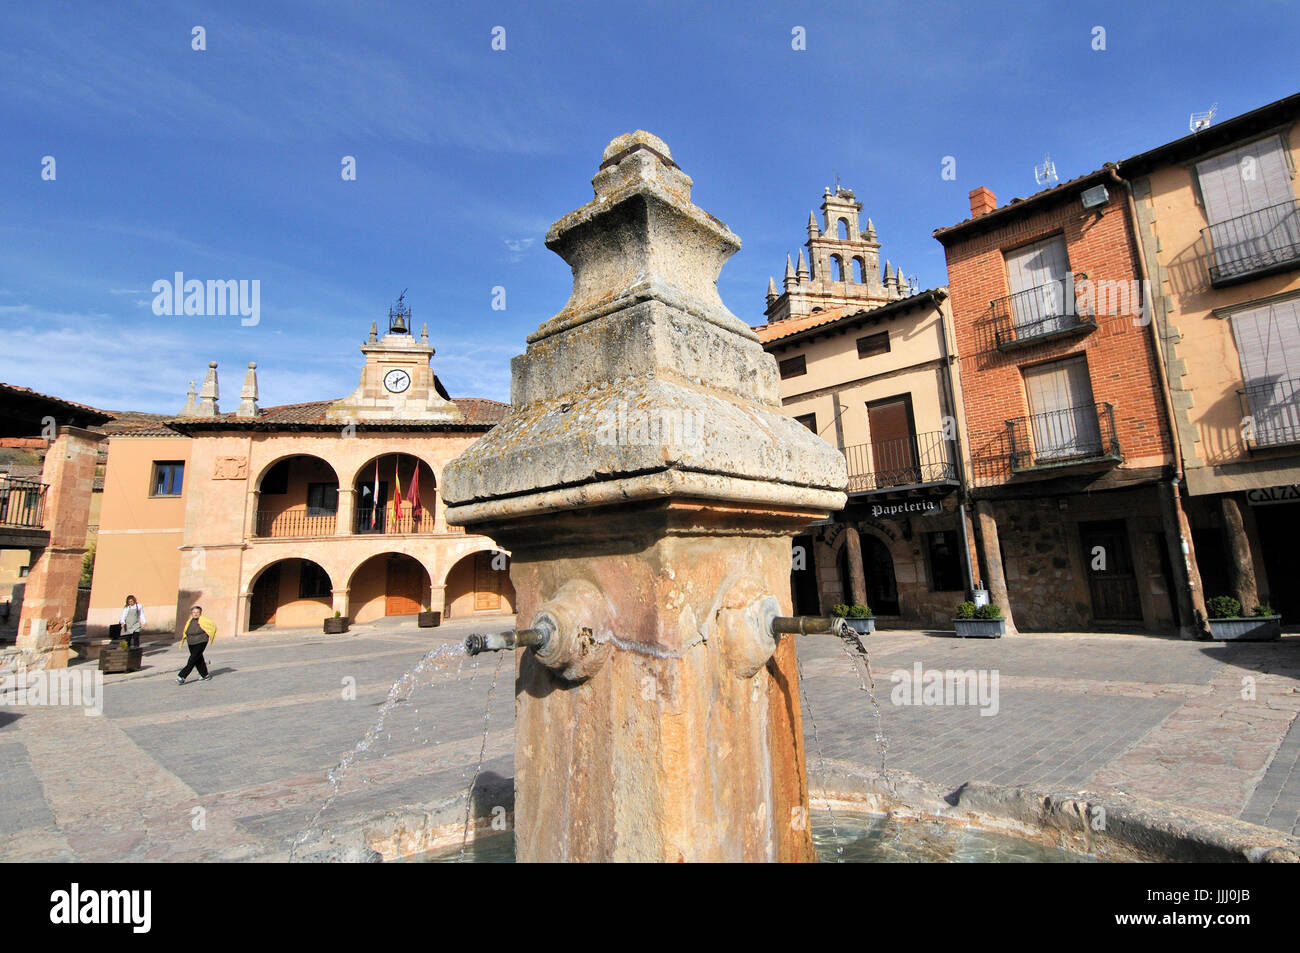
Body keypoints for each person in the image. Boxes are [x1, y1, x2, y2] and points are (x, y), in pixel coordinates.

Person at [177, 605, 217, 684]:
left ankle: (182, 676)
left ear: (200, 613)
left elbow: (213, 626)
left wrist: (208, 635)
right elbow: (186, 630)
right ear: (191, 613)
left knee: (192, 659)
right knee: (198, 659)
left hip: (201, 641)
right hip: (191, 642)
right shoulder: (190, 621)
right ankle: (205, 675)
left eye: (197, 612)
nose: (195, 614)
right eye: (194, 612)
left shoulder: (204, 620)